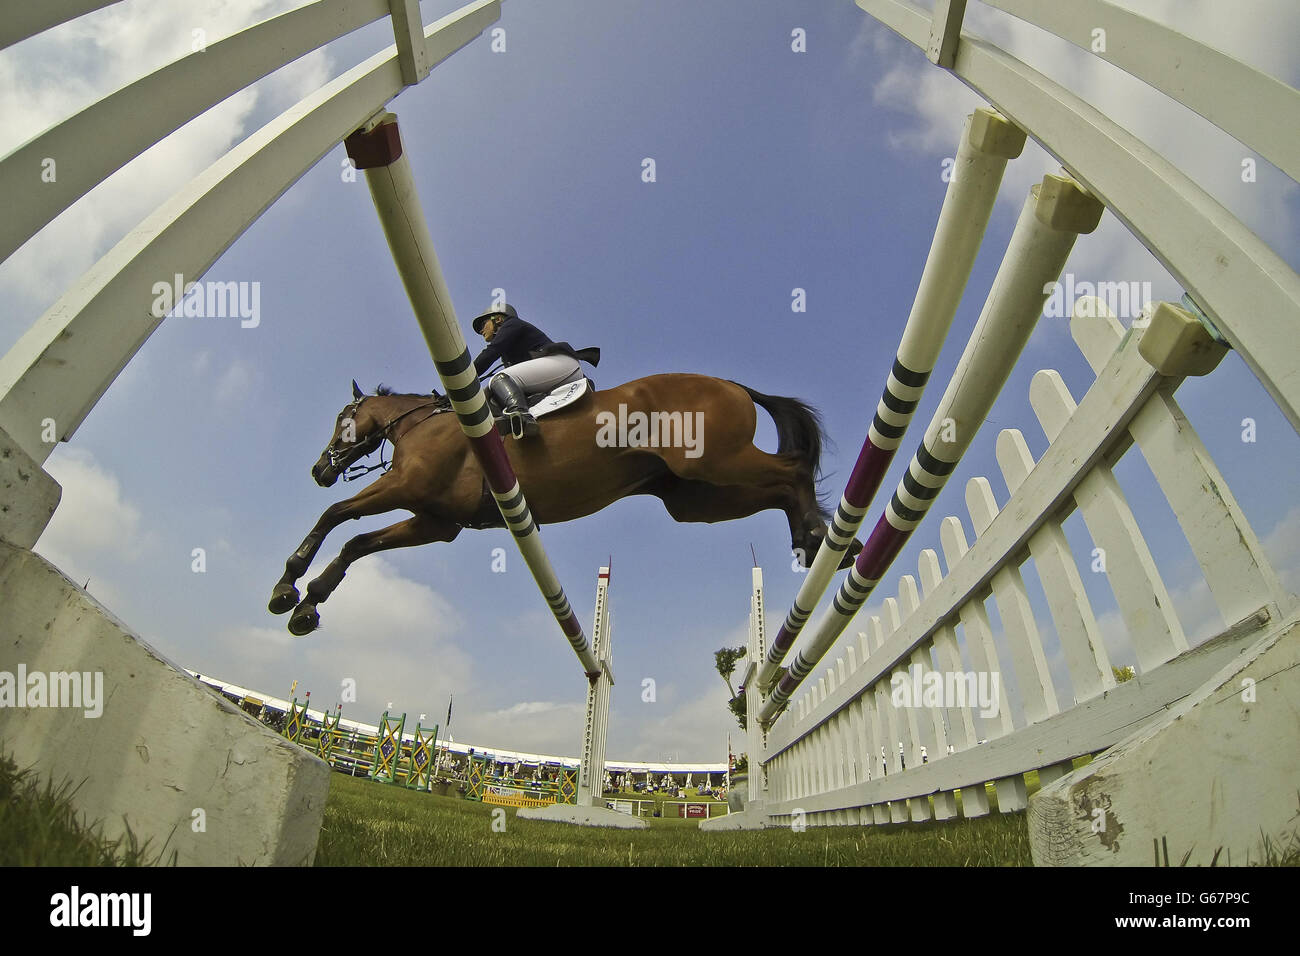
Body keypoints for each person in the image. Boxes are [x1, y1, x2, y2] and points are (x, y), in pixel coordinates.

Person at [471, 303, 596, 439]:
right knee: (500, 391)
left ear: (498, 319)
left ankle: (521, 414)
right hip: (564, 374)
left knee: (499, 379)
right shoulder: (509, 352)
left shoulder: (511, 324)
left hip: (561, 364)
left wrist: (464, 377)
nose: (481, 330)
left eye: (483, 324)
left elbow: (491, 352)